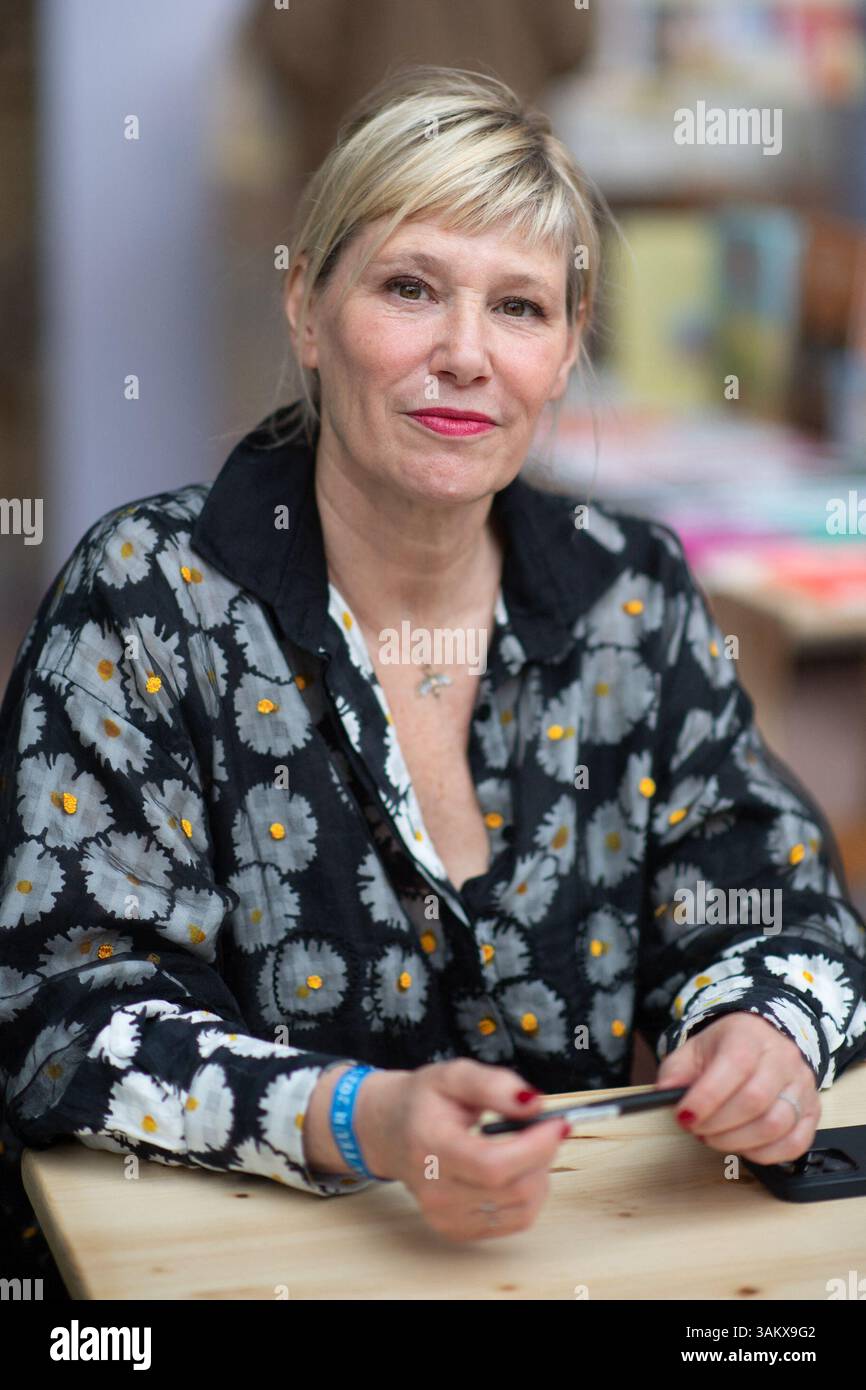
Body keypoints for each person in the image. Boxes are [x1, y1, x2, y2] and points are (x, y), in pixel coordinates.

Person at [1, 66, 864, 1251]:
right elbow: (60, 1015)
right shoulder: (145, 597)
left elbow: (777, 900)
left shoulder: (629, 593)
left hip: (564, 1257)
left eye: (519, 307)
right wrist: (358, 1117)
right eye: (410, 287)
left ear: (565, 350)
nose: (465, 354)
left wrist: (756, 1024)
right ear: (306, 309)